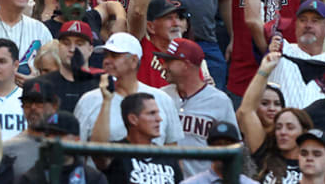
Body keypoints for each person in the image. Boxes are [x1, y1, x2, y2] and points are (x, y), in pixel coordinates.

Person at [74, 32, 182, 145]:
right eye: (106, 55)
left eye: (115, 56)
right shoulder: (89, 100)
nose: (106, 60)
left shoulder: (162, 99)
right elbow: (78, 150)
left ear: (134, 61)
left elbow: (172, 151)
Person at [157, 38, 237, 180]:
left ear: (186, 65)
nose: (163, 66)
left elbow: (233, 149)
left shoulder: (220, 101)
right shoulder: (160, 96)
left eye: (169, 61)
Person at [92, 87, 182, 184]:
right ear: (133, 119)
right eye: (152, 113)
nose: (159, 119)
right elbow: (98, 150)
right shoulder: (117, 152)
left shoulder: (167, 156)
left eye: (157, 113)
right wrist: (106, 101)